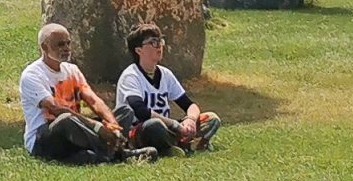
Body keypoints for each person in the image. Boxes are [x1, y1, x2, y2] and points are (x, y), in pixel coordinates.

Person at [20, 22, 123, 163]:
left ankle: (110, 146)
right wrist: (97, 127)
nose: (67, 48)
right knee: (65, 120)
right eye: (60, 45)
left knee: (124, 110)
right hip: (45, 137)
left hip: (77, 131)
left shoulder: (72, 70)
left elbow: (93, 100)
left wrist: (112, 124)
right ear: (44, 47)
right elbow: (56, 109)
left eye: (68, 43)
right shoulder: (32, 75)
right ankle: (117, 152)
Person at [115, 24, 218, 156]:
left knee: (211, 118)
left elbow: (189, 104)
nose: (159, 46)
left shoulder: (165, 74)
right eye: (153, 42)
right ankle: (183, 145)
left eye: (160, 41)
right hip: (140, 131)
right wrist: (175, 125)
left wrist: (190, 120)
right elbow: (141, 111)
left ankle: (176, 145)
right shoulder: (131, 76)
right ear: (139, 50)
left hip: (168, 128)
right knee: (154, 125)